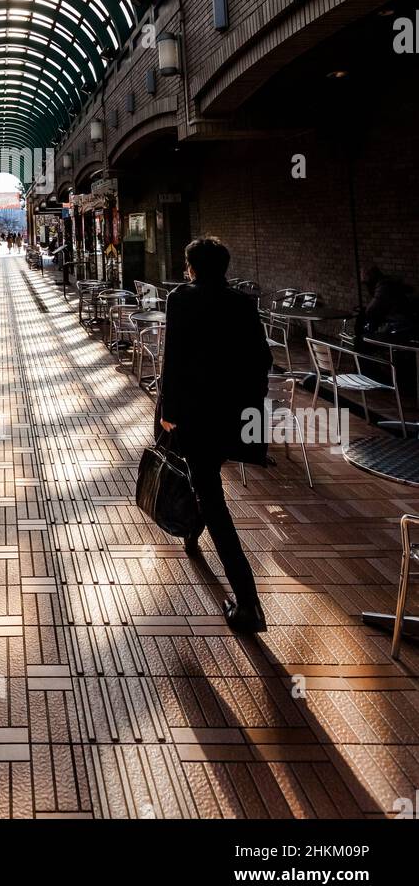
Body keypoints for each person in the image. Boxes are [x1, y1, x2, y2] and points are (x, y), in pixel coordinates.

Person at [159, 236, 272, 635]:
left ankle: (248, 602)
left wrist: (166, 415)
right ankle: (191, 534)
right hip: (233, 418)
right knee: (203, 478)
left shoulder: (181, 300)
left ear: (191, 267)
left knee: (213, 502)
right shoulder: (243, 303)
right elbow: (263, 360)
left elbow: (172, 362)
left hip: (194, 418)